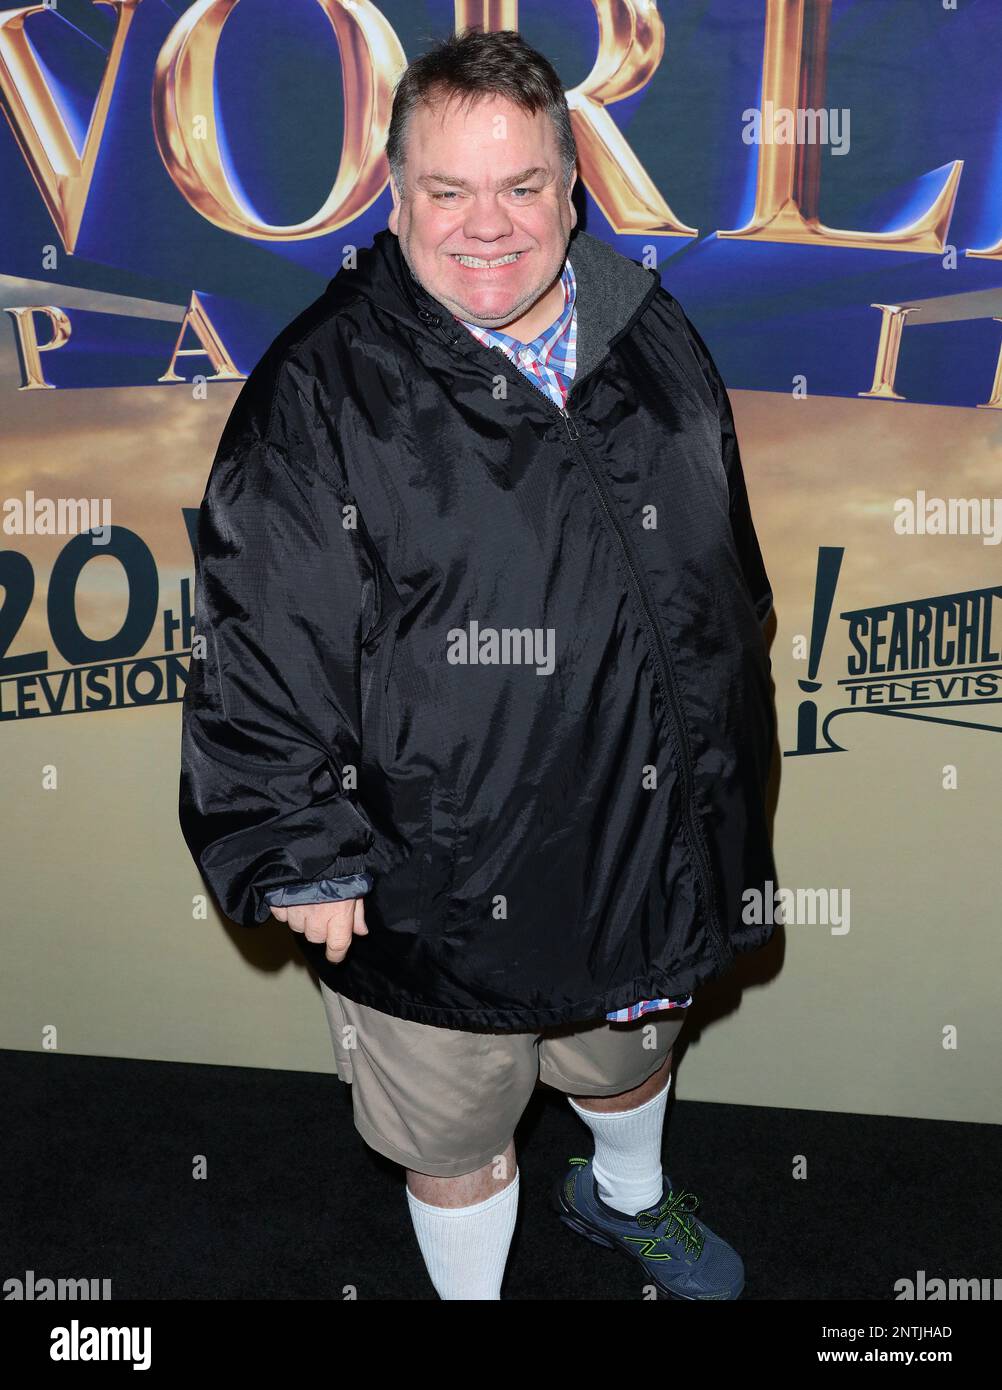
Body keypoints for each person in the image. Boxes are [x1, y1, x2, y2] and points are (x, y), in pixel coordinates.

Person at [179, 27, 779, 1301]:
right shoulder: (322, 388)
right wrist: (296, 841)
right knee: (454, 1137)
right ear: (398, 199)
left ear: (572, 189)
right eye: (447, 190)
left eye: (520, 186)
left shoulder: (646, 322)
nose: (486, 225)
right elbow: (264, 628)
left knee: (626, 1057)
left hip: (647, 829)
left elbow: (723, 561)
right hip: (443, 865)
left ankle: (627, 1199)